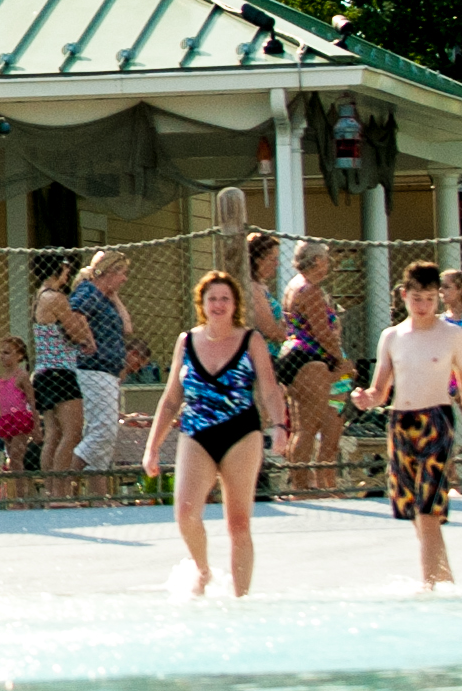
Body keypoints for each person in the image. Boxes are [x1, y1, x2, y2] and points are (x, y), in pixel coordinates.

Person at [142, 269, 280, 598]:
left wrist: (280, 426)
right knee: (186, 512)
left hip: (240, 433)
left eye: (225, 299)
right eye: (212, 298)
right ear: (202, 303)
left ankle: (241, 597)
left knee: (238, 522)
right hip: (196, 432)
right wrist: (152, 447)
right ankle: (201, 569)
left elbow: (270, 390)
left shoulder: (251, 340)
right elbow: (172, 397)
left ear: (235, 304)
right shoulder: (187, 341)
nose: (218, 304)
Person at [348, 261, 462, 589]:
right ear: (405, 296)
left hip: (437, 420)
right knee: (414, 510)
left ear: (438, 298)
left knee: (428, 508)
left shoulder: (452, 335)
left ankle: (430, 586)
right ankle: (444, 575)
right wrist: (366, 398)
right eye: (416, 299)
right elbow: (380, 390)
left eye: (429, 299)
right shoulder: (391, 337)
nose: (423, 307)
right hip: (400, 422)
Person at [275, 240, 347, 497]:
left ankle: (299, 484)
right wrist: (342, 360)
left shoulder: (293, 286)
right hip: (310, 361)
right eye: (326, 259)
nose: (328, 264)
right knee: (307, 428)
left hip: (293, 357)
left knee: (300, 427)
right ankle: (301, 486)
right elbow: (323, 334)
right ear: (316, 261)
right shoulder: (311, 290)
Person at [65, 249, 138, 474]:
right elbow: (74, 312)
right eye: (122, 273)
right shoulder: (89, 291)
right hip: (94, 369)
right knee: (102, 431)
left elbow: (128, 328)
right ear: (109, 271)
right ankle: (68, 478)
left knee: (106, 435)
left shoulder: (105, 297)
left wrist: (114, 295)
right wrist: (88, 338)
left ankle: (98, 496)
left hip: (109, 372)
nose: (125, 279)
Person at [29, 264, 95, 486]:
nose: (67, 276)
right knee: (72, 433)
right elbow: (75, 333)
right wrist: (85, 331)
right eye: (65, 271)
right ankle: (60, 491)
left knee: (53, 435)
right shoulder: (55, 298)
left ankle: (51, 491)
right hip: (61, 372)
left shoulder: (39, 296)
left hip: (44, 371)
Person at [0, 333, 41, 486]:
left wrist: (36, 426)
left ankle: (21, 496)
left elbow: (32, 401)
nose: (3, 356)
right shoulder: (0, 379)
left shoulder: (22, 376)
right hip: (6, 421)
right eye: (1, 353)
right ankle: (19, 494)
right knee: (12, 459)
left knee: (17, 457)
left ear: (19, 356)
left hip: (20, 420)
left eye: (7, 352)